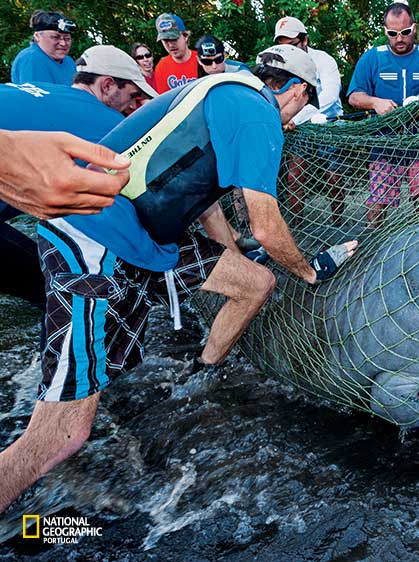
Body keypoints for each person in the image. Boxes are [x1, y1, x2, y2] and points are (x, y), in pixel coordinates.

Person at [0, 44, 358, 510]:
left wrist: (235, 254)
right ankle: (30, 503)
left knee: (256, 284)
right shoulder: (257, 114)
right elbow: (267, 229)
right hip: (95, 235)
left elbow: (205, 202)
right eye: (304, 103)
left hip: (146, 234)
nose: (297, 116)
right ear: (297, 90)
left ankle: (201, 373)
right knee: (64, 435)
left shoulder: (223, 91)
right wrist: (310, 271)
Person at [0, 45, 158, 308]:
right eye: (133, 96)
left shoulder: (45, 90)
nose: (133, 105)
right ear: (107, 85)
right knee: (56, 293)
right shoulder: (106, 120)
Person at [347, 2, 419, 226]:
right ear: (385, 31)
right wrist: (375, 102)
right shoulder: (373, 58)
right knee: (378, 198)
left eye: (405, 32)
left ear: (414, 28)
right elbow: (354, 96)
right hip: (384, 139)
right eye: (392, 33)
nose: (399, 38)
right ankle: (375, 238)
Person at [274, 16, 346, 222]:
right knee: (294, 176)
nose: (289, 51)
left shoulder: (324, 60)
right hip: (298, 127)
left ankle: (338, 221)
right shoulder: (280, 65)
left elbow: (329, 96)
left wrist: (296, 118)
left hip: (329, 123)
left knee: (334, 176)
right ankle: (297, 225)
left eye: (293, 45)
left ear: (305, 40)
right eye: (284, 46)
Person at [11, 10, 77, 85]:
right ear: (37, 36)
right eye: (55, 37)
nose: (63, 43)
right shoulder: (32, 58)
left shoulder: (68, 61)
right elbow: (39, 91)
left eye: (67, 38)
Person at [152, 13, 198, 93]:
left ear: (185, 36)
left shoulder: (203, 59)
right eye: (165, 40)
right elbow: (165, 99)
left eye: (174, 39)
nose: (170, 45)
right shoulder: (161, 68)